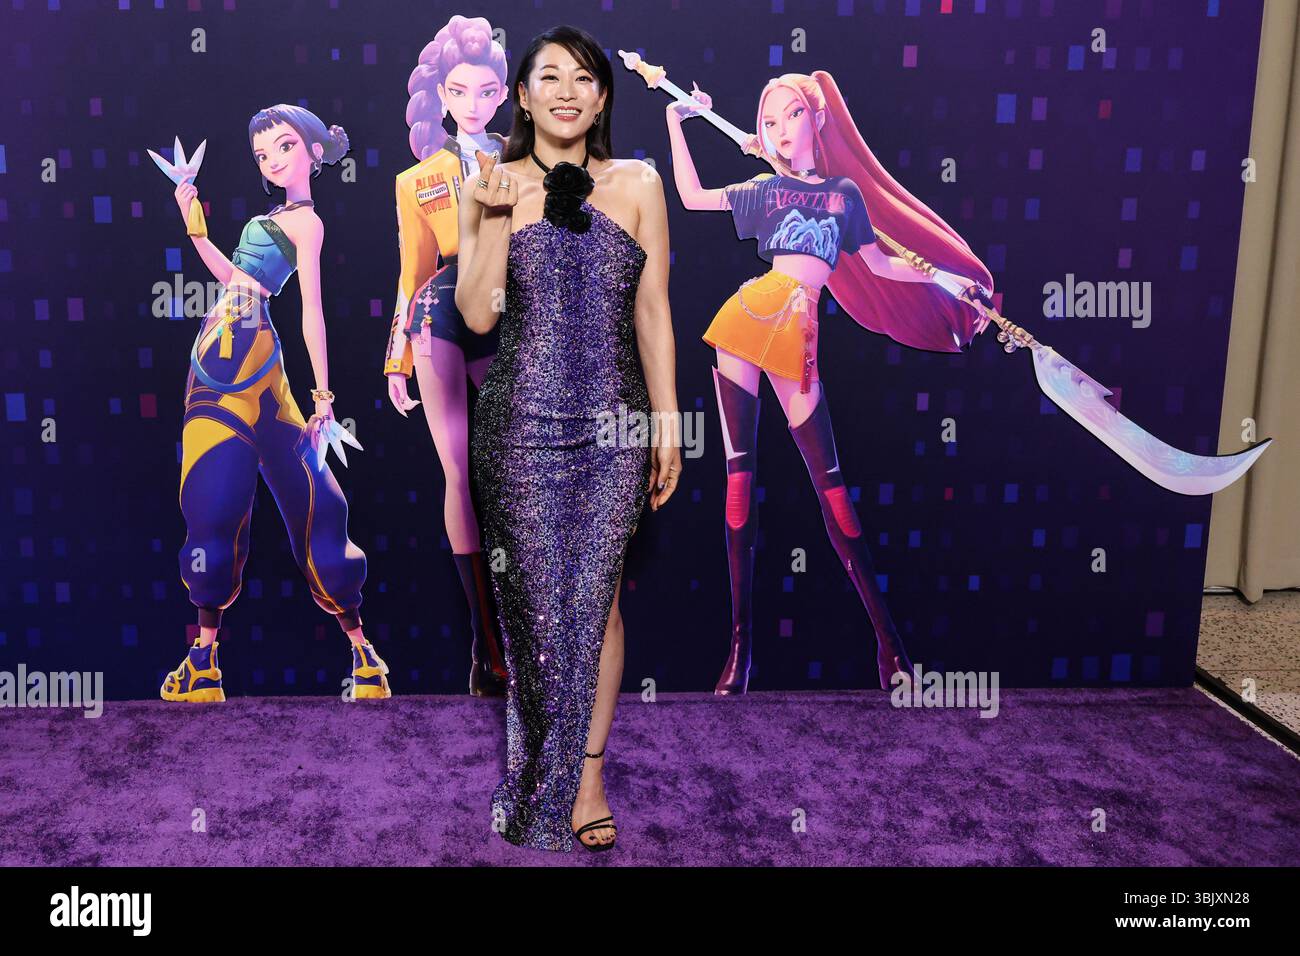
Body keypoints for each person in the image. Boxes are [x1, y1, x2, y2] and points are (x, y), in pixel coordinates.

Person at [665, 72, 994, 695]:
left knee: (832, 490)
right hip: (744, 320)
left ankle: (889, 643)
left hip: (798, 334)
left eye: (790, 115)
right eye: (769, 122)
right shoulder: (765, 188)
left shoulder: (844, 195)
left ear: (815, 117)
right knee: (739, 481)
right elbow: (692, 198)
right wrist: (677, 123)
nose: (781, 129)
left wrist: (948, 282)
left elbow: (880, 265)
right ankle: (740, 651)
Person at [456, 26, 682, 851]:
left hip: (615, 425)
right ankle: (535, 771)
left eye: (584, 78)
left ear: (603, 97)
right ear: (521, 97)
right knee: (534, 611)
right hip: (518, 427)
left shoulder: (638, 184)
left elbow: (653, 310)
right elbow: (478, 315)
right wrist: (489, 216)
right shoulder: (490, 181)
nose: (565, 90)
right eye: (547, 76)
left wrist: (667, 423)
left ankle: (585, 778)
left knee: (597, 600)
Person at [158, 105, 390, 703]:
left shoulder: (307, 223)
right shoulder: (281, 216)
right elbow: (235, 280)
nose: (273, 160)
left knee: (284, 498)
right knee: (237, 501)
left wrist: (324, 395)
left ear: (313, 151)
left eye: (284, 147)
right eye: (263, 154)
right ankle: (210, 660)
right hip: (233, 347)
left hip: (237, 358)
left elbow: (312, 309)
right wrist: (196, 229)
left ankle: (358, 654)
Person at [383, 14, 510, 696]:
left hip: (506, 313)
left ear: (500, 95)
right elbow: (411, 268)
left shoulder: (528, 164)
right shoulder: (418, 179)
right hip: (437, 314)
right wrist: (395, 356)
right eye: (458, 90)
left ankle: (525, 633)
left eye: (484, 90)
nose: (470, 102)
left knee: (516, 471)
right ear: (443, 97)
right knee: (458, 473)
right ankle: (486, 647)